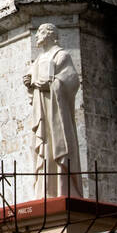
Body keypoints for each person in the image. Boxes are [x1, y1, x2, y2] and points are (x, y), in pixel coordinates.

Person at [22, 24, 82, 198]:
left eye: (40, 33)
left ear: (50, 35)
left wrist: (53, 83)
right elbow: (33, 85)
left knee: (58, 146)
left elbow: (72, 81)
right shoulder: (38, 60)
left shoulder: (62, 55)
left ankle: (62, 190)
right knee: (43, 148)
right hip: (41, 112)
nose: (36, 36)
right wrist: (30, 83)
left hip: (56, 113)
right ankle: (45, 191)